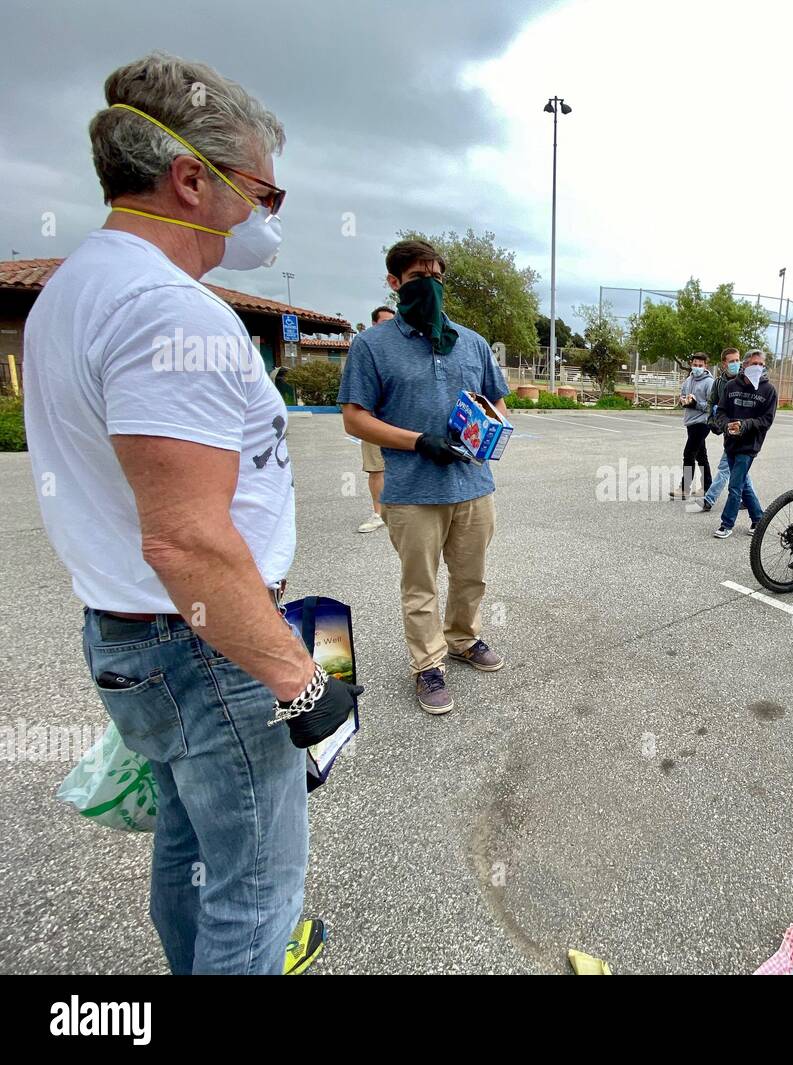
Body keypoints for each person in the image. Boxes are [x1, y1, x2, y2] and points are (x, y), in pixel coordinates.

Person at [23, 52, 360, 974]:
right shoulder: (172, 311)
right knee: (258, 882)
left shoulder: (75, 289)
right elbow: (186, 537)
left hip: (140, 635)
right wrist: (299, 680)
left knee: (191, 840)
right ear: (189, 180)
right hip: (209, 648)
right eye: (264, 193)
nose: (266, 218)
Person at [338, 238, 509, 716]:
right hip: (412, 490)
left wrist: (490, 427)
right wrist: (418, 440)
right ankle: (428, 664)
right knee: (420, 586)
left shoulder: (471, 342)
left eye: (436, 277)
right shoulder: (372, 345)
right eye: (417, 278)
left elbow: (496, 397)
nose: (429, 286)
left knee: (471, 577)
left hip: (473, 486)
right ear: (395, 284)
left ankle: (462, 638)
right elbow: (354, 417)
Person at [712, 349, 775, 539]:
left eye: (761, 364)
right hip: (730, 442)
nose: (758, 367)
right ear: (745, 365)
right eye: (754, 363)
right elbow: (721, 411)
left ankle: (726, 523)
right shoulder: (731, 386)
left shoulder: (768, 390)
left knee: (735, 485)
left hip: (749, 446)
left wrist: (745, 425)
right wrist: (726, 426)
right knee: (743, 483)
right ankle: (759, 519)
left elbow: (767, 420)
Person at [686, 347, 741, 514]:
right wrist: (715, 423)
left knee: (693, 455)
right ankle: (752, 507)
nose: (735, 364)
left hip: (736, 430)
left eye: (737, 360)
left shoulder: (743, 381)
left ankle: (706, 497)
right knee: (738, 468)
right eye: (731, 361)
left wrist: (697, 405)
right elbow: (713, 404)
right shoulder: (717, 382)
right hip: (716, 428)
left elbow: (707, 405)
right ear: (724, 363)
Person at [356, 305, 396, 533]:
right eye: (384, 322)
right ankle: (378, 513)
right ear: (374, 324)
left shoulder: (401, 350)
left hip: (399, 420)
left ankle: (400, 508)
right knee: (376, 468)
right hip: (373, 420)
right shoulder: (366, 349)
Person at [671, 352, 714, 500]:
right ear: (691, 364)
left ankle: (684, 488)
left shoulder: (709, 382)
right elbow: (682, 396)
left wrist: (696, 404)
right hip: (690, 422)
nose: (697, 368)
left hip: (702, 423)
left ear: (705, 366)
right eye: (695, 365)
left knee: (688, 454)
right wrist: (683, 401)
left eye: (700, 365)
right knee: (701, 456)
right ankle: (708, 486)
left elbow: (711, 406)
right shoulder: (688, 380)